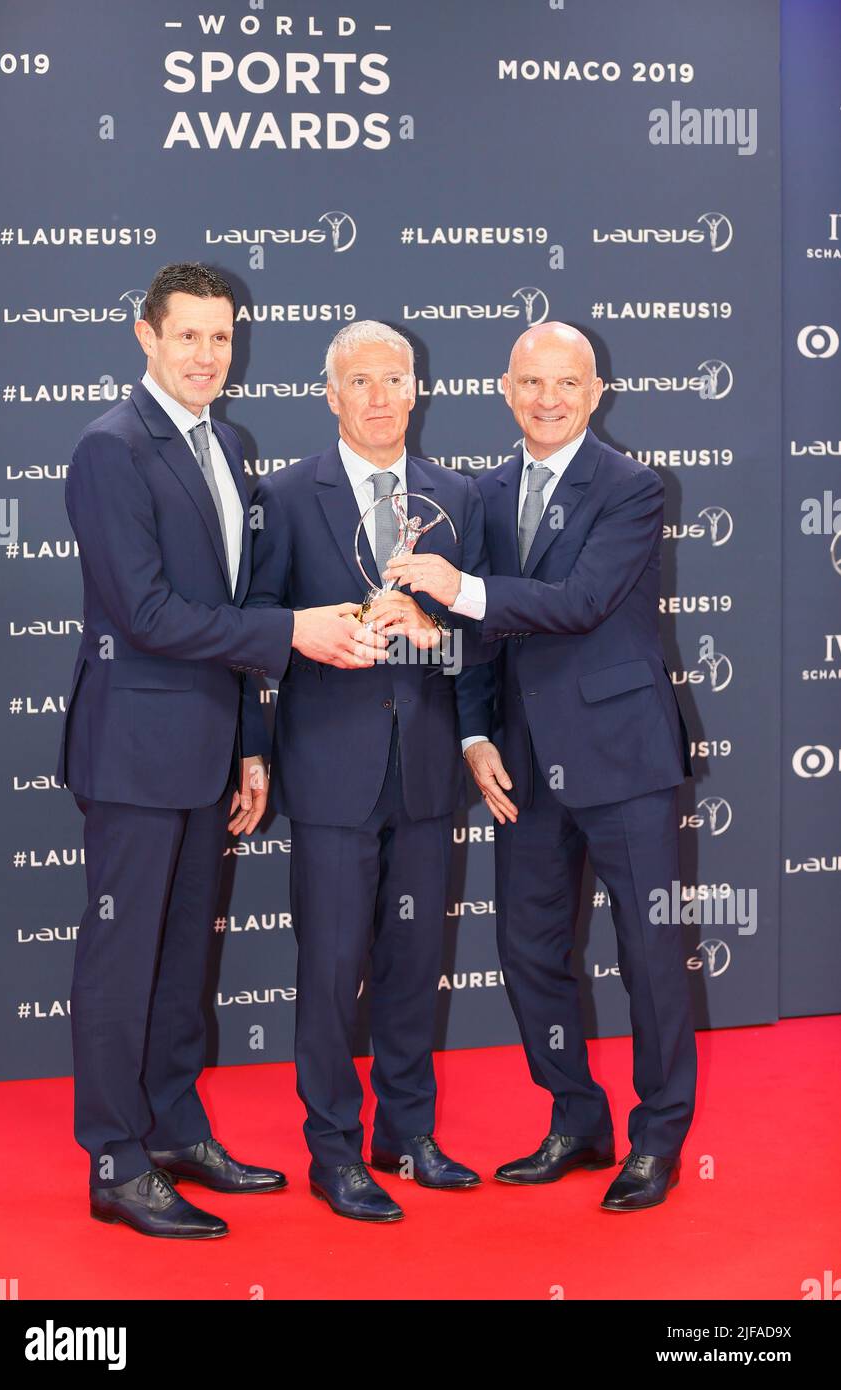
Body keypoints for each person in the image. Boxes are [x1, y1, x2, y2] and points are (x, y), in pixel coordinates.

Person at [57, 263, 382, 1240]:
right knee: (123, 959)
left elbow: (230, 607)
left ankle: (172, 1127)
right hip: (134, 749)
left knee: (178, 956)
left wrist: (249, 743)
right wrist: (293, 634)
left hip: (206, 750)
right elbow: (148, 613)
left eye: (220, 337)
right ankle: (114, 1157)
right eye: (188, 335)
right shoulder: (109, 448)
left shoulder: (227, 442)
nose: (206, 354)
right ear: (145, 337)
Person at [385, 322, 695, 1213]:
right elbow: (481, 639)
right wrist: (475, 734)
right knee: (528, 950)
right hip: (520, 759)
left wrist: (457, 590)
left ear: (596, 394)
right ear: (506, 391)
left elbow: (583, 601)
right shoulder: (485, 495)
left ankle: (658, 1137)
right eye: (532, 383)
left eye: (567, 384)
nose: (549, 399)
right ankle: (576, 1117)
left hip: (623, 756)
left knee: (649, 953)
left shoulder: (633, 487)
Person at [244, 320, 488, 1221]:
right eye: (361, 382)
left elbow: (486, 640)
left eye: (396, 378)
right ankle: (334, 1151)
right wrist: (264, 729)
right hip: (331, 771)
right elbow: (258, 631)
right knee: (332, 965)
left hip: (426, 773)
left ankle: (408, 1135)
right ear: (331, 394)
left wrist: (443, 639)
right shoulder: (286, 495)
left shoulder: (458, 496)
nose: (380, 396)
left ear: (418, 389)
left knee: (415, 962)